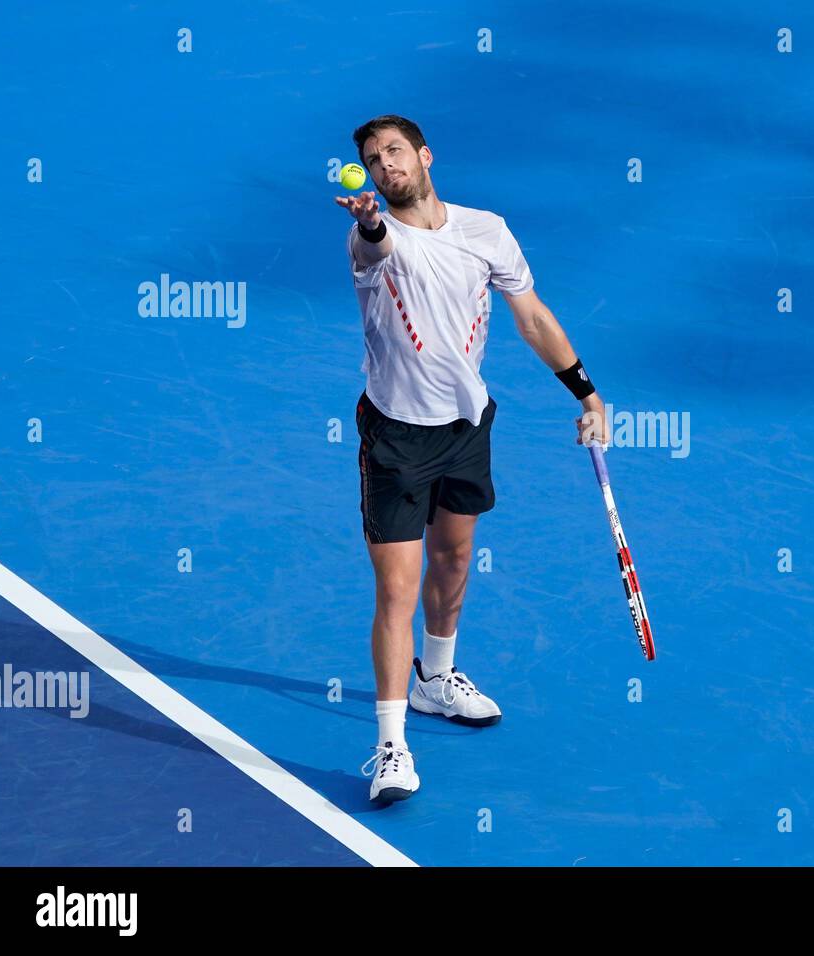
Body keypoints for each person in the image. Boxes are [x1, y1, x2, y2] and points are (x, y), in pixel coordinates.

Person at [337, 115, 609, 804]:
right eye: (373, 161)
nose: (384, 166)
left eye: (395, 152)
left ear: (425, 156)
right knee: (397, 590)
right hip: (396, 438)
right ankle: (392, 745)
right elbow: (372, 252)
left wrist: (587, 394)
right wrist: (369, 225)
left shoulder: (486, 230)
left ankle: (437, 678)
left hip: (465, 428)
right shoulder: (374, 238)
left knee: (454, 560)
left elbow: (532, 317)